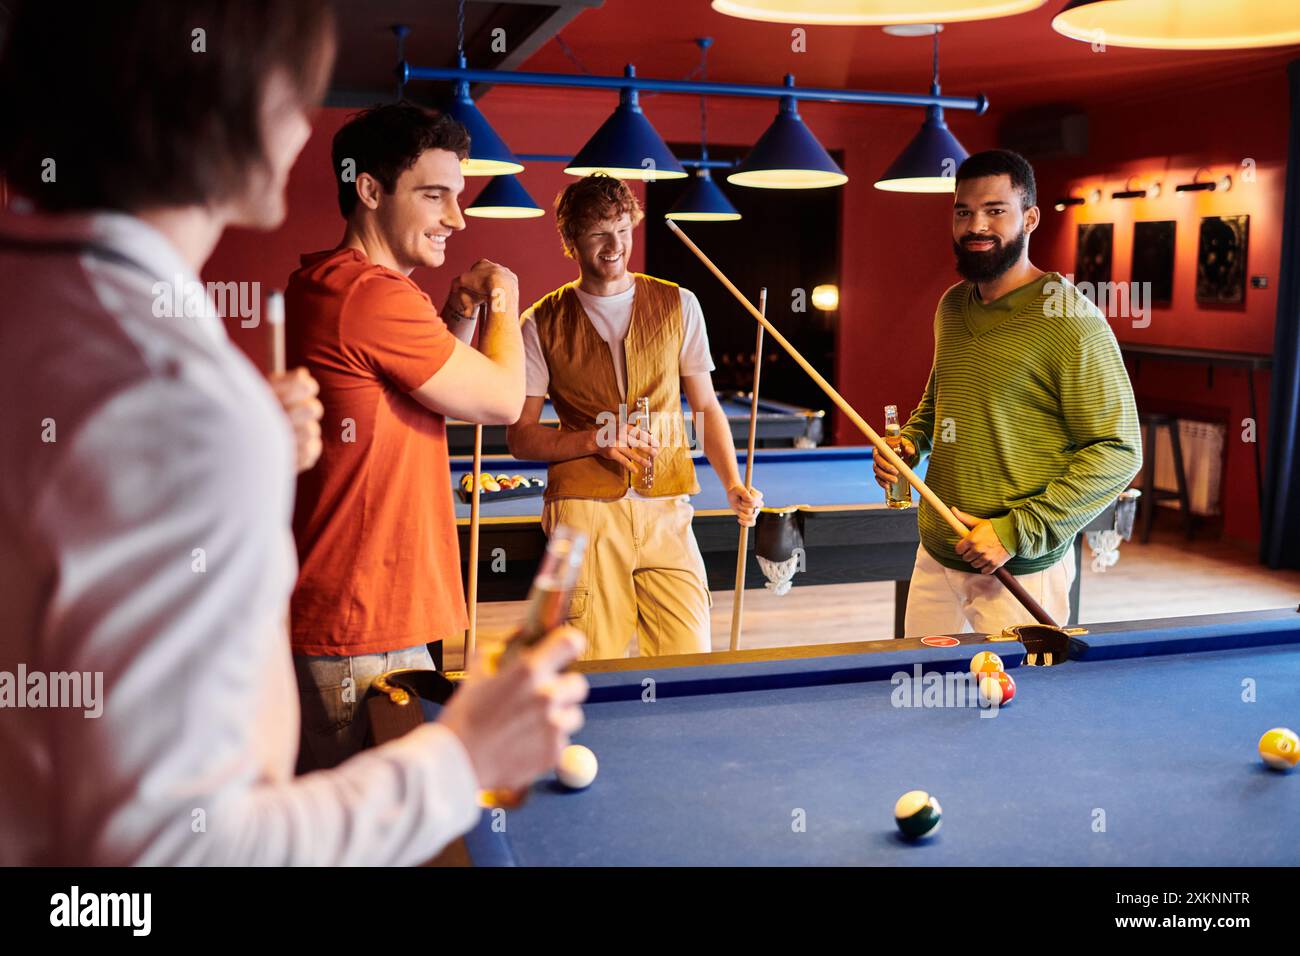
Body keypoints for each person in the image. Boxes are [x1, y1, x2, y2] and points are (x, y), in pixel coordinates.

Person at [0, 0, 585, 865]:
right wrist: (466, 759)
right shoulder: (183, 389)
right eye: (297, 88)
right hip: (359, 623)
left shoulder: (49, 311)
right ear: (238, 106)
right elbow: (166, 854)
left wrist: (256, 453)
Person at [285, 103, 527, 769]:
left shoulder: (335, 285)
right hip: (363, 624)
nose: (457, 218)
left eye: (459, 197)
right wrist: (502, 296)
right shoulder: (369, 294)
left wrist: (456, 309)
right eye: (435, 195)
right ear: (369, 189)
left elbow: (423, 397)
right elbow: (503, 399)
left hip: (363, 619)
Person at [875, 149, 1141, 637]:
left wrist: (1016, 530)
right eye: (964, 211)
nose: (976, 225)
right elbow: (938, 403)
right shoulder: (952, 306)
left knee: (1016, 707)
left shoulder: (1072, 319)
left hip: (1019, 571)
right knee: (917, 695)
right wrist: (910, 445)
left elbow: (1119, 450)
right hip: (936, 553)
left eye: (995, 210)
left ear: (1030, 218)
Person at [507, 175, 763, 660]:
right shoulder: (540, 322)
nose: (614, 245)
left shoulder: (679, 303)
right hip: (585, 515)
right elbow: (520, 437)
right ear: (571, 241)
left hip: (667, 507)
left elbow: (705, 406)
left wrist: (731, 482)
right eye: (598, 233)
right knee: (590, 666)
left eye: (623, 229)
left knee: (689, 658)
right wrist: (593, 442)